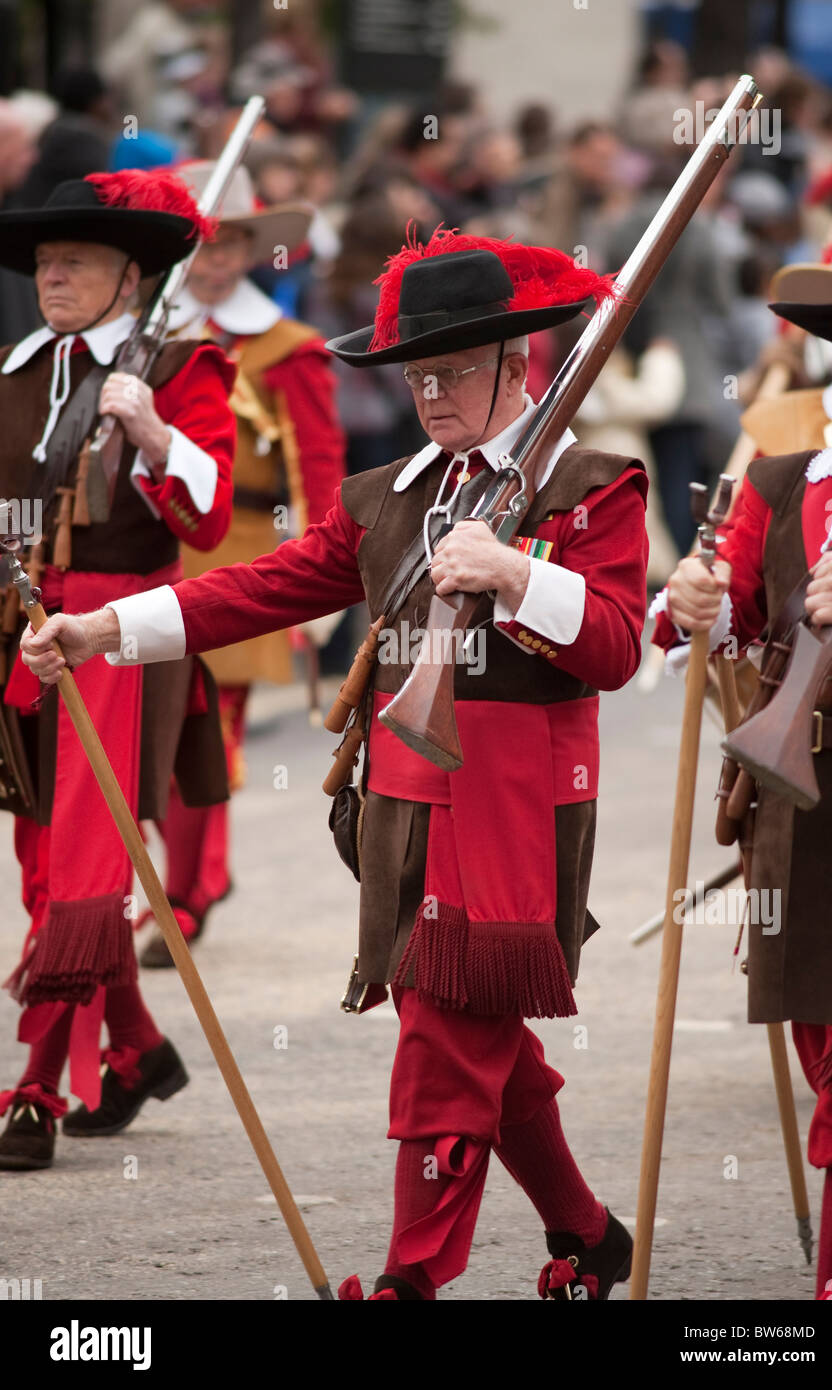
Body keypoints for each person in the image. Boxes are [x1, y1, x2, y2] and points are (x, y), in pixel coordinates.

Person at [20, 230, 649, 1300]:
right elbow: (255, 587)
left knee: (447, 1051)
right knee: (469, 1039)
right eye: (416, 372)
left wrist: (511, 572)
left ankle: (410, 1279)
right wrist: (103, 629)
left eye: (451, 370)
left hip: (511, 812)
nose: (429, 392)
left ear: (517, 366)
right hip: (400, 800)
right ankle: (586, 1235)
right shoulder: (387, 495)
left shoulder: (591, 484)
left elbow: (618, 646)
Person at [0, 168, 236, 1170]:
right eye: (45, 261)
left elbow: (210, 513)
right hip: (23, 633)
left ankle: (34, 1090)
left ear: (129, 277)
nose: (52, 276)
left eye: (75, 262)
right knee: (43, 869)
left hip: (124, 633)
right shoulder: (15, 368)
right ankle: (135, 1050)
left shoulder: (183, 365)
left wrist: (150, 429)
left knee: (83, 875)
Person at [651, 258, 832, 1299]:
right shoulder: (793, 477)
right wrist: (691, 598)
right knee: (831, 1049)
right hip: (803, 796)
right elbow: (725, 608)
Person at [135, 159, 345, 967]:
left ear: (256, 250)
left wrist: (320, 571)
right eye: (201, 245)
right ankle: (169, 881)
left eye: (229, 245)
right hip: (152, 546)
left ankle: (188, 894)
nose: (214, 261)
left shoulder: (289, 349)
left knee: (205, 730)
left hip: (246, 553)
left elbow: (321, 468)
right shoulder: (150, 337)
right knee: (140, 728)